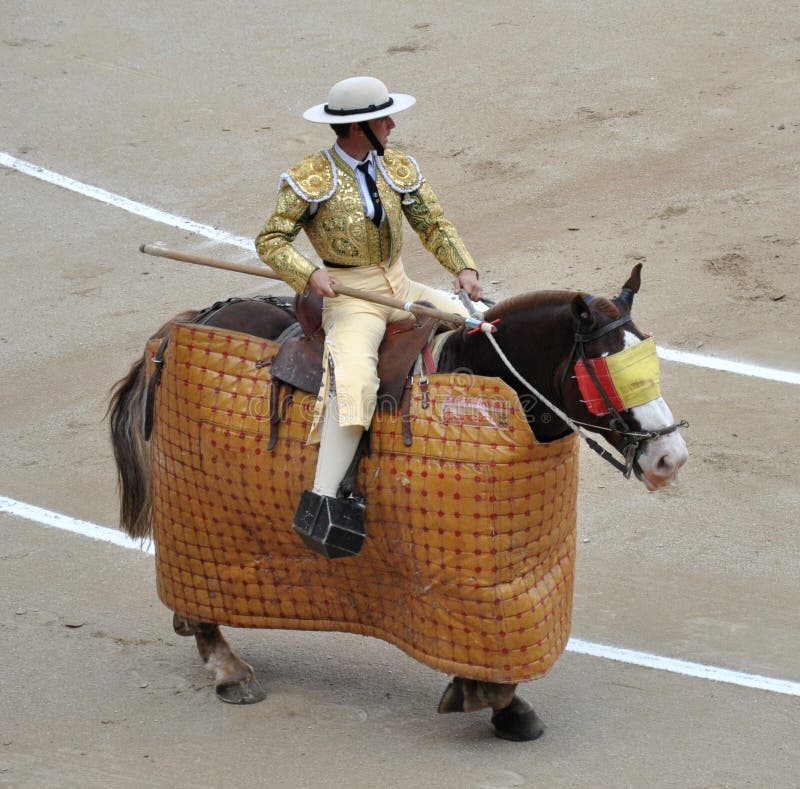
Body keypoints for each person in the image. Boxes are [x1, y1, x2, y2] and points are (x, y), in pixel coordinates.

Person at [255, 75, 482, 557]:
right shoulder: (310, 177)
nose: (393, 123)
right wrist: (308, 275)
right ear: (360, 127)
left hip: (400, 286)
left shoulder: (397, 167)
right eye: (384, 118)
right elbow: (271, 240)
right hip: (351, 298)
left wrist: (462, 267)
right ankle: (320, 501)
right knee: (355, 382)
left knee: (480, 326)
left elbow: (433, 222)